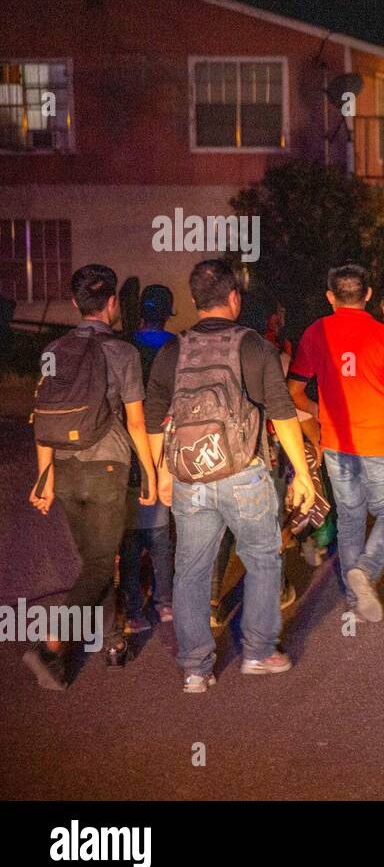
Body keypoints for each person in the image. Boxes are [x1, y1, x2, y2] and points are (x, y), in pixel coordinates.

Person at [146, 260, 315, 692]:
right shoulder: (254, 346)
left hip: (189, 478)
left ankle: (196, 669)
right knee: (261, 561)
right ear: (234, 298)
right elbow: (282, 413)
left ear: (192, 301)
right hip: (245, 473)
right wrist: (303, 475)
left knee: (190, 570)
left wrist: (162, 473)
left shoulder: (173, 350)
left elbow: (152, 419)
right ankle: (258, 653)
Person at [25, 265, 158, 689]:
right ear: (113, 303)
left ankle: (107, 644)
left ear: (74, 304)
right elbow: (136, 423)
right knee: (103, 564)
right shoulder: (124, 353)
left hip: (65, 471)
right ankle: (55, 641)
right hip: (107, 469)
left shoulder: (53, 349)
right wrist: (151, 475)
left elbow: (44, 419)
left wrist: (44, 477)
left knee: (95, 564)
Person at [287, 264, 384, 624]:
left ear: (330, 297)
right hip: (379, 440)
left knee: (350, 518)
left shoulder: (316, 332)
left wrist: (320, 409)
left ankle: (353, 601)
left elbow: (294, 391)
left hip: (336, 443)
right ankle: (366, 568)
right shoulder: (382, 335)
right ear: (367, 296)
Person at [120, 283, 177, 632]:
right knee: (160, 531)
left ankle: (132, 609)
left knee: (130, 534)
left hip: (128, 441)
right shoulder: (176, 347)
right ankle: (165, 602)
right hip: (166, 442)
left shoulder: (125, 346)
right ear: (168, 312)